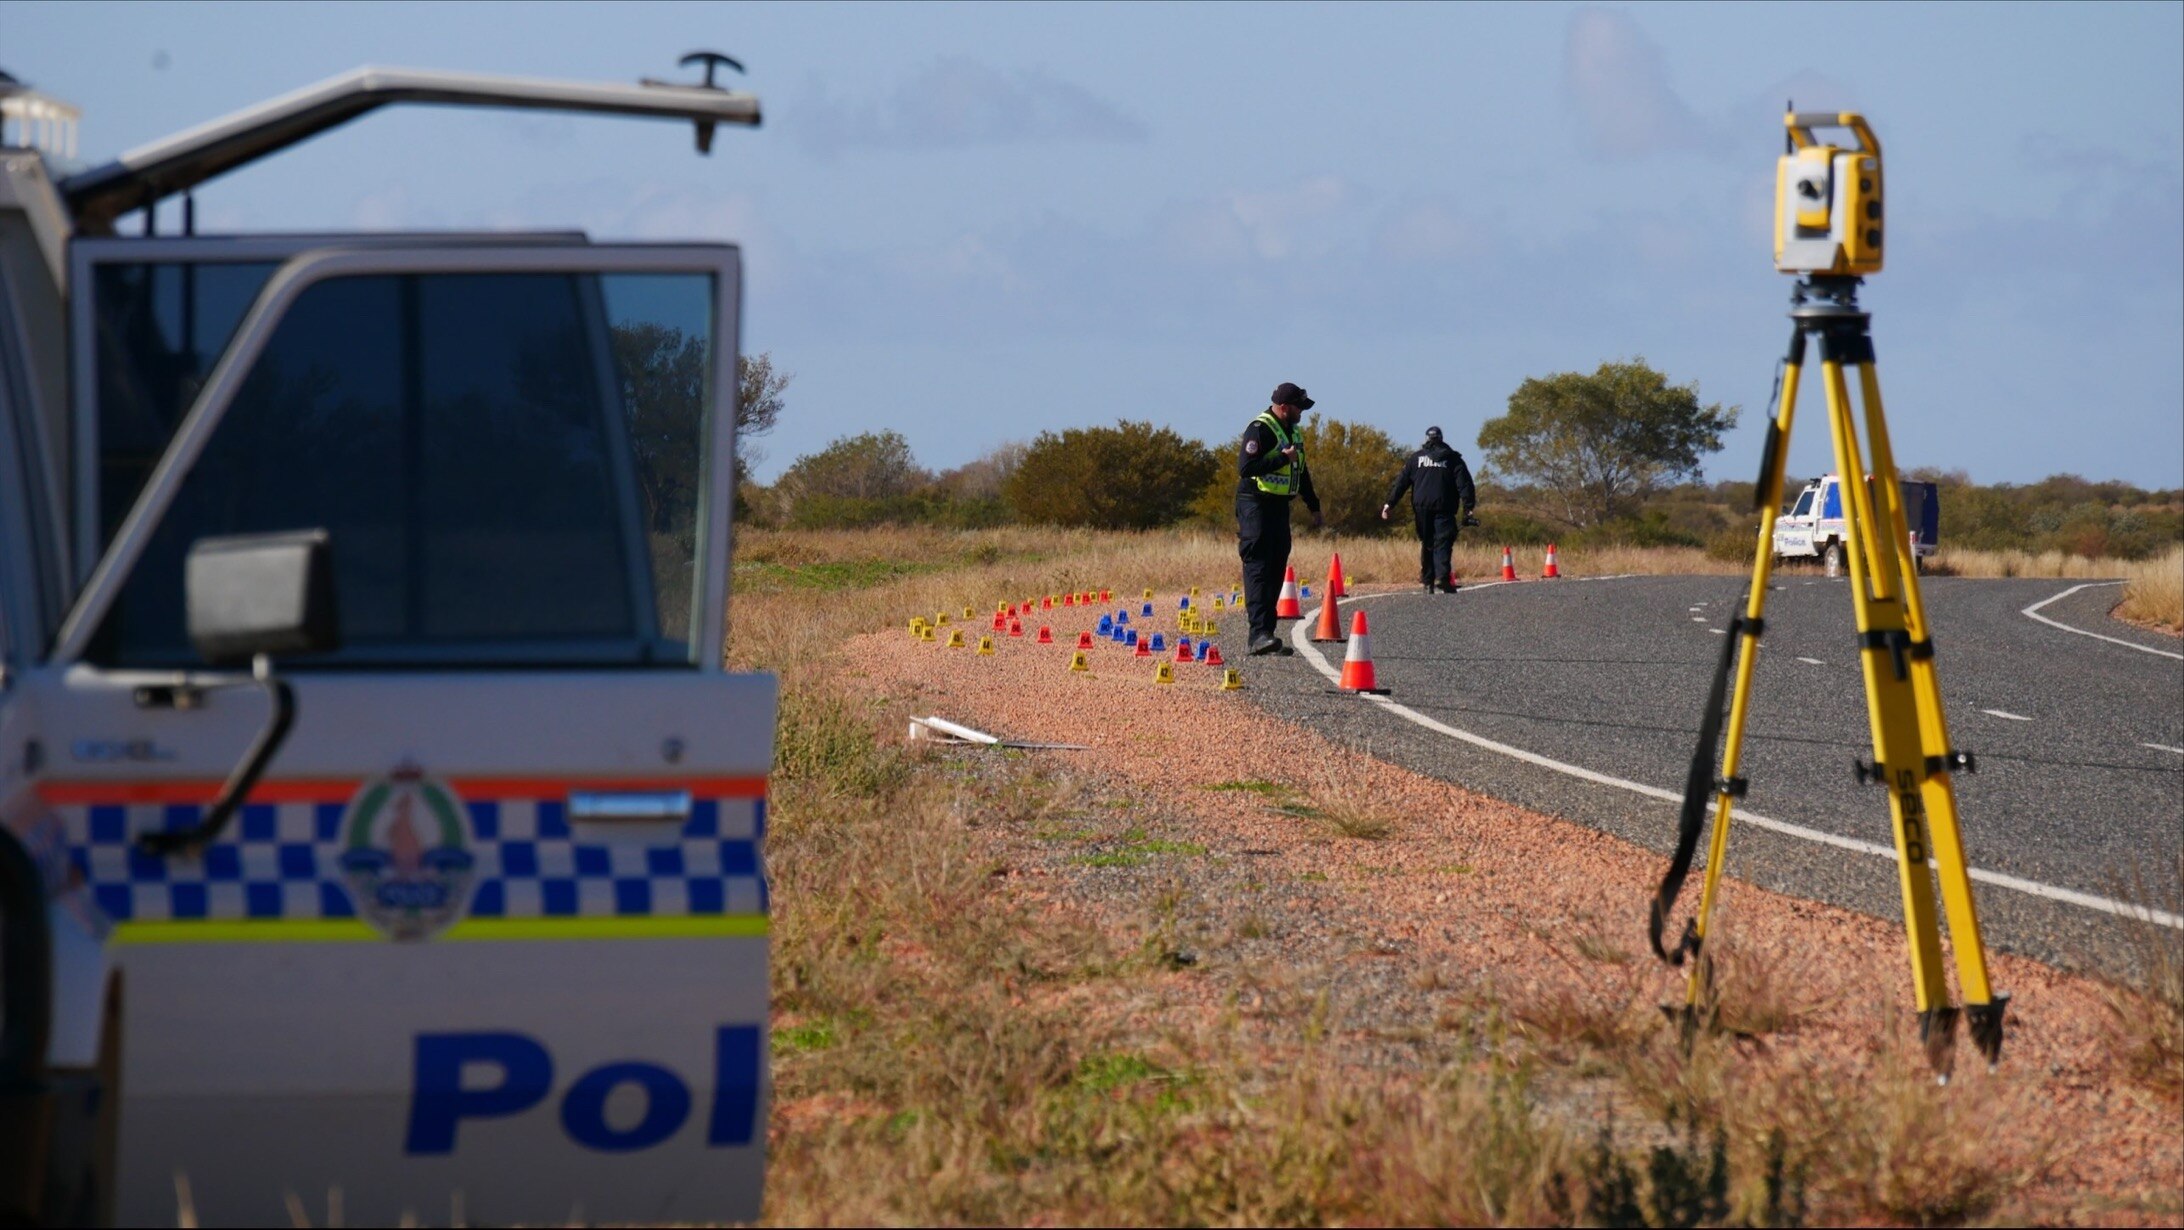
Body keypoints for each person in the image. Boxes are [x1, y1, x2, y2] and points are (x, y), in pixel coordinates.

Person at [1236, 382, 1323, 655]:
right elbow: (1246, 467)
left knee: (1276, 566)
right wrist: (1281, 460)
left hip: (1278, 507)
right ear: (1284, 407)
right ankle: (1258, 634)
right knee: (1259, 565)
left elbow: (1301, 470)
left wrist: (1314, 506)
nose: (1302, 412)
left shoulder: (1293, 431)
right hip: (1255, 504)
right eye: (1299, 407)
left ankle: (1267, 635)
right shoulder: (1261, 429)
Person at [1381, 425, 1476, 593]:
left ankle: (1427, 581)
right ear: (1441, 438)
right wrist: (1468, 507)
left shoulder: (1416, 459)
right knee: (1443, 541)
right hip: (1444, 507)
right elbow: (1465, 484)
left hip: (1421, 507)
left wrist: (1389, 504)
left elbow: (1401, 483)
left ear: (1426, 439)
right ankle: (1442, 577)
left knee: (1428, 542)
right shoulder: (1453, 459)